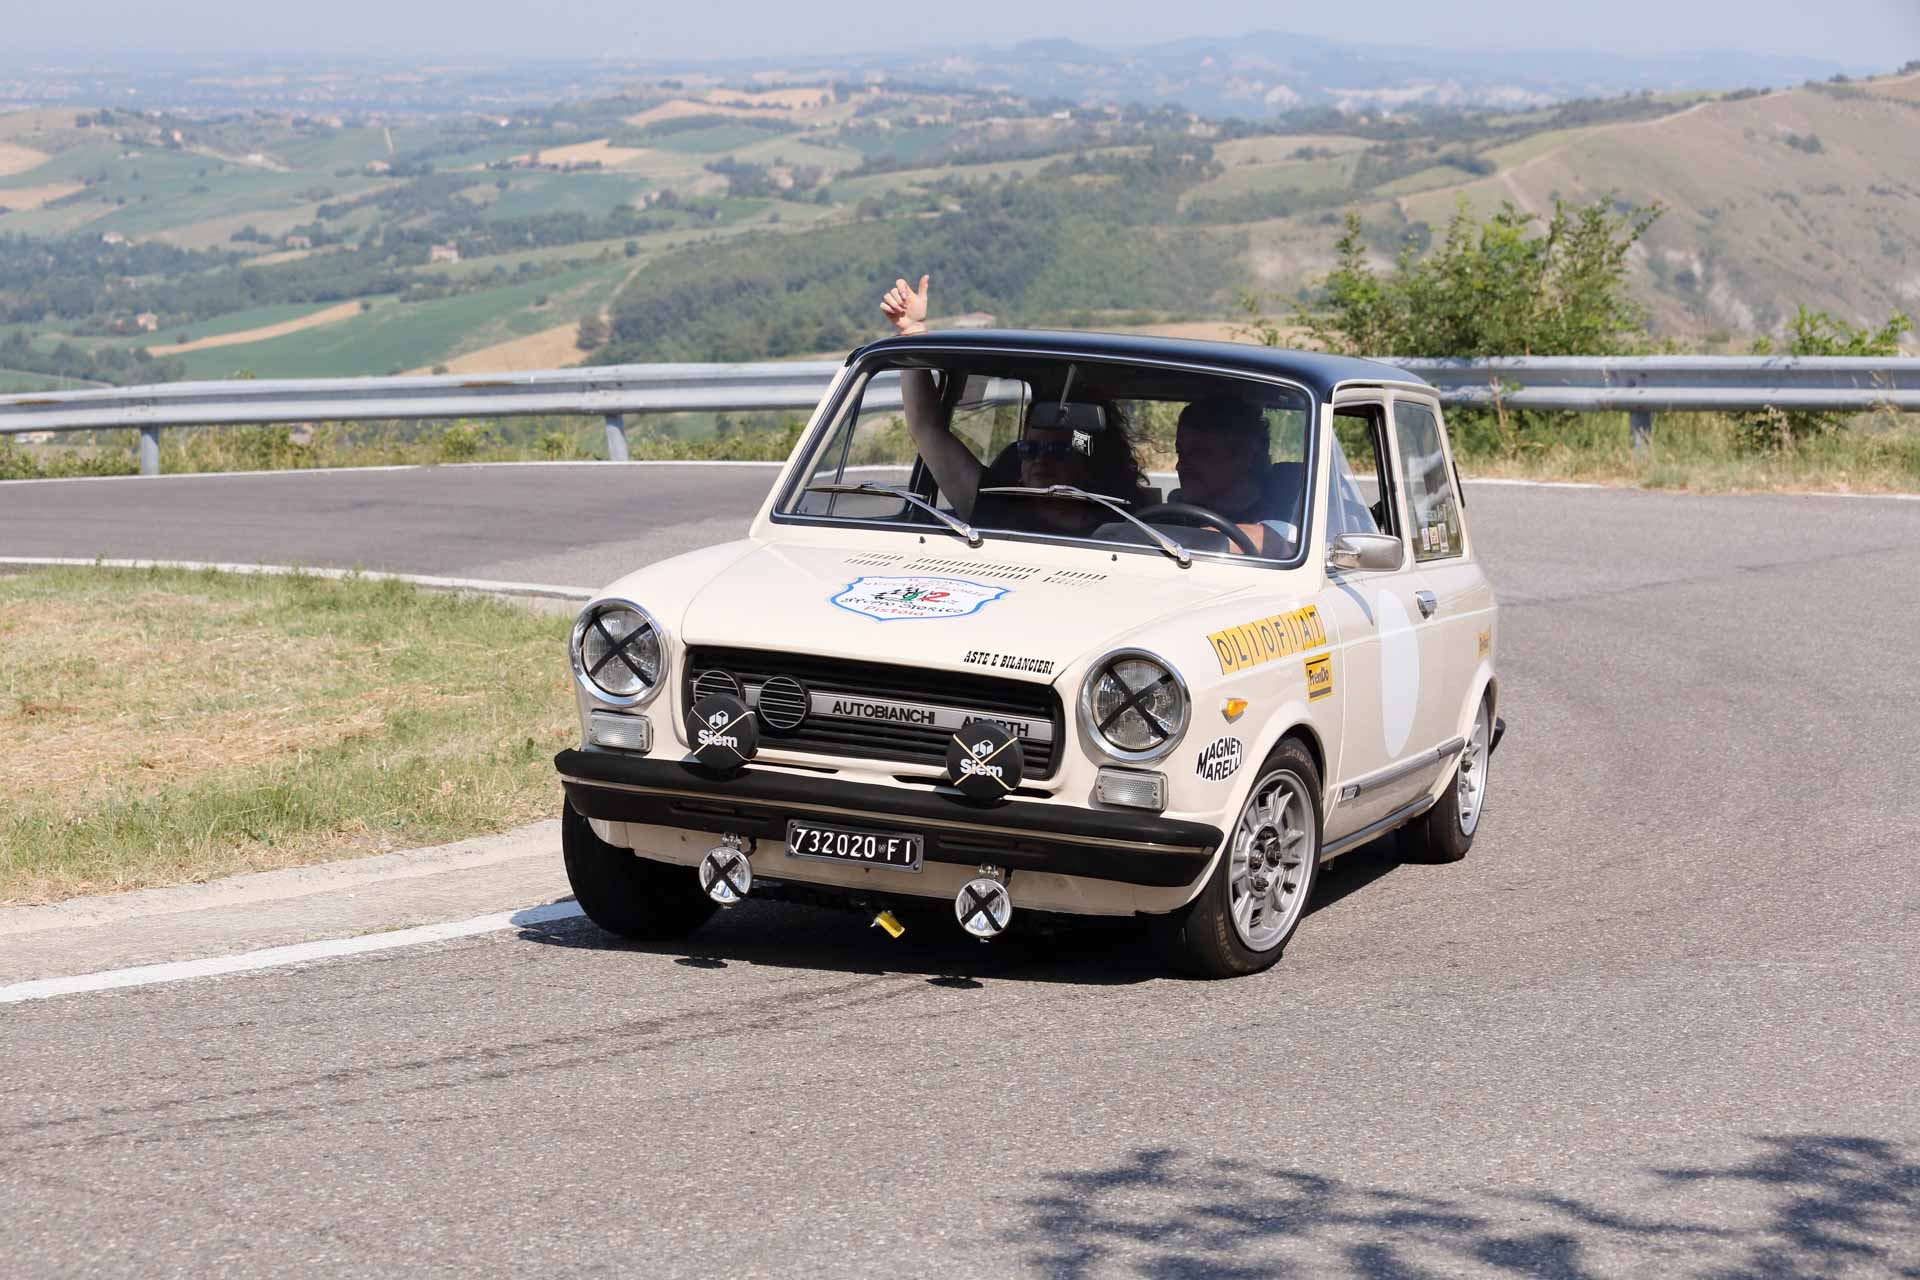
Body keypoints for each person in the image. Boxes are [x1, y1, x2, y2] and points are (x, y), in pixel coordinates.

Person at [879, 275, 1147, 536]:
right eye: (1029, 449)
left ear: (1090, 458)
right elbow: (927, 429)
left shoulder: (1131, 532)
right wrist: (911, 331)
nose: (1040, 460)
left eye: (1058, 450)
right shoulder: (999, 509)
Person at [1169, 397, 1301, 558]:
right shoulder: (1175, 512)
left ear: (1243, 455)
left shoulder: (1287, 511)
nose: (1180, 466)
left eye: (1199, 453)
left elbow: (1277, 541)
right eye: (1180, 452)